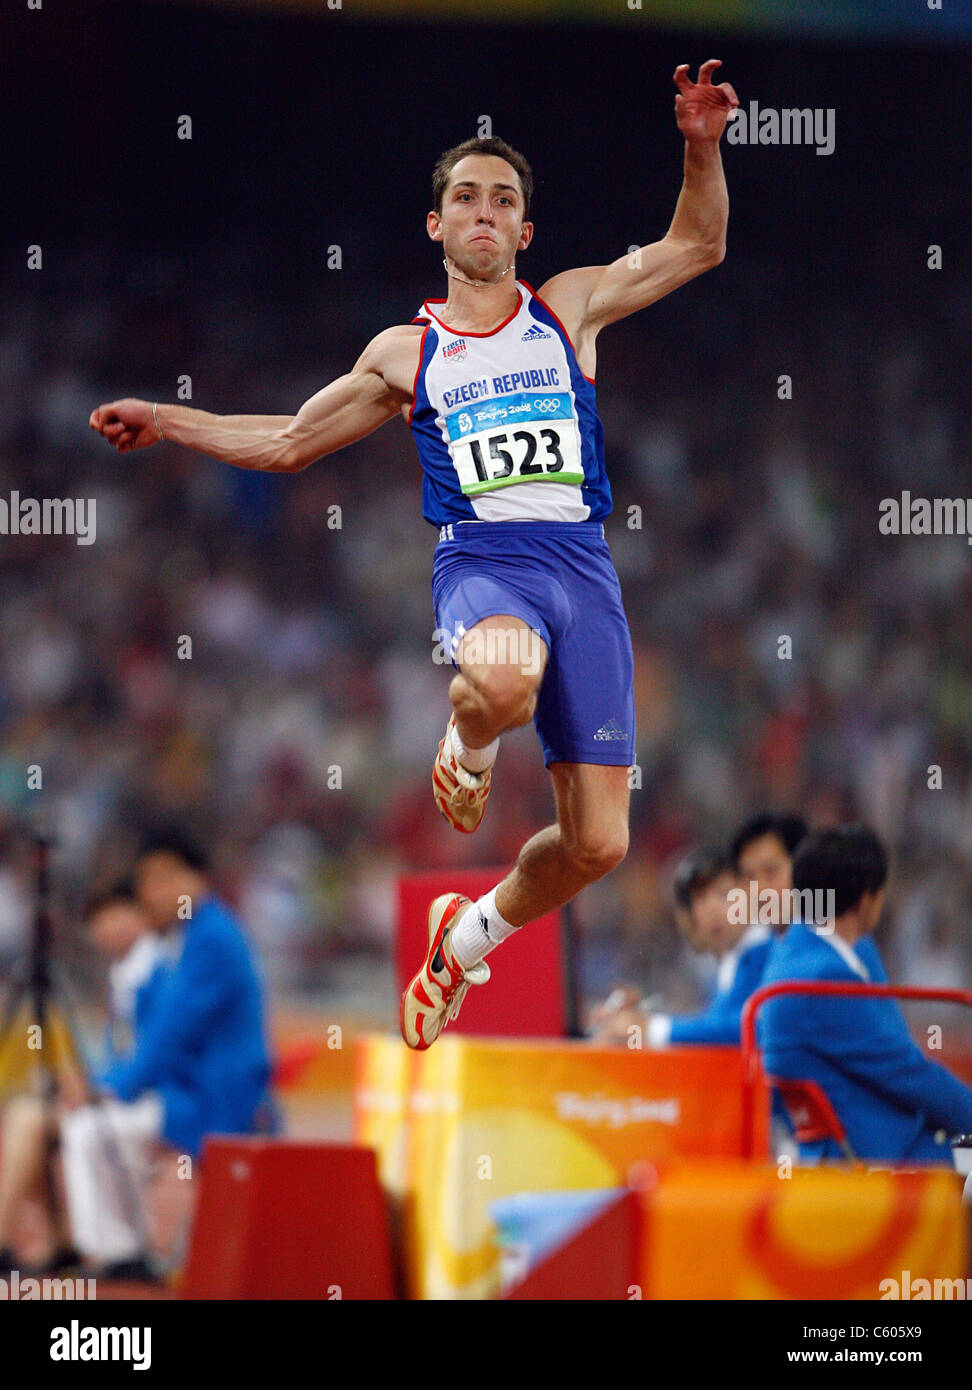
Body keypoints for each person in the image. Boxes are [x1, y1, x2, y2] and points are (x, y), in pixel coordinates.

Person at [89, 62, 739, 1051]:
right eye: (465, 197)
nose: (485, 211)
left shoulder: (570, 309)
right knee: (505, 683)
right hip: (488, 559)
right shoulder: (407, 353)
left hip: (584, 570)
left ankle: (465, 939)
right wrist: (168, 420)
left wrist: (700, 144)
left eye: (505, 200)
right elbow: (286, 443)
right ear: (436, 226)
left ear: (525, 231)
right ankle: (466, 750)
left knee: (601, 841)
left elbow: (700, 242)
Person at [59, 831, 274, 1276]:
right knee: (100, 1129)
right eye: (147, 885)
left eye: (163, 880)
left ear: (197, 878)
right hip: (190, 1088)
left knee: (89, 1129)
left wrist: (106, 1090)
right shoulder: (188, 936)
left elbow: (168, 1037)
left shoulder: (210, 940)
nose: (152, 895)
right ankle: (127, 1249)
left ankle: (121, 1253)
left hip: (216, 1099)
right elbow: (153, 1036)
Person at [759, 826, 972, 1164]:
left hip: (844, 1142)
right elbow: (905, 1072)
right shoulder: (825, 979)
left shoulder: (787, 961)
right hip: (875, 1152)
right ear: (866, 899)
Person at [0, 880, 160, 1278]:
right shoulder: (119, 976)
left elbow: (157, 1052)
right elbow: (117, 1054)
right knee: (29, 1115)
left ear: (143, 916)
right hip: (120, 1093)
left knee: (30, 1121)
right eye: (99, 920)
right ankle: (60, 1240)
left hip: (147, 1100)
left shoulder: (158, 970)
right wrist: (79, 1082)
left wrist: (98, 1088)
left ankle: (14, 1239)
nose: (109, 927)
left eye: (119, 913)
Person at [590, 847, 772, 1047]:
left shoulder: (766, 950)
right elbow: (710, 1022)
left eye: (723, 894)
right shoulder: (727, 959)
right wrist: (641, 1015)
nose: (712, 909)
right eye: (701, 899)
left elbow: (748, 1026)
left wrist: (651, 1028)